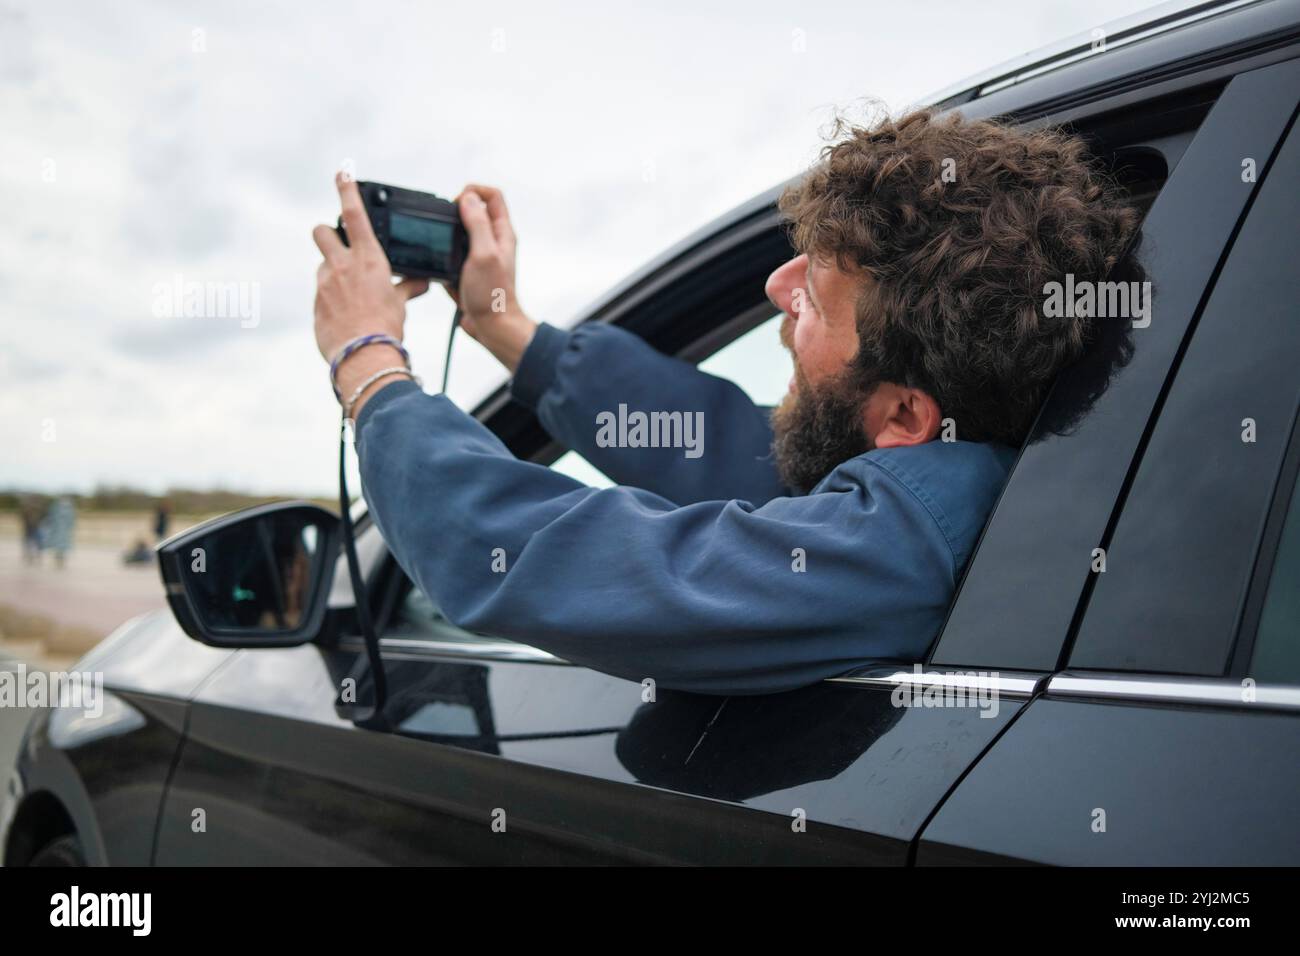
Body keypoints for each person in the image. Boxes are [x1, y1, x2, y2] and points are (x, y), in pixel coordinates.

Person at [310, 108, 1138, 695]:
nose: (776, 286)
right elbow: (736, 450)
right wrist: (508, 326)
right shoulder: (959, 470)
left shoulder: (905, 544)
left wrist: (370, 368)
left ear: (904, 419)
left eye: (813, 291)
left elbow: (568, 562)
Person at [42, 496, 76, 570]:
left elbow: (71, 520)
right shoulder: (56, 508)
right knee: (58, 545)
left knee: (62, 546)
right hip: (58, 530)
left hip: (63, 531)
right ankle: (58, 558)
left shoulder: (68, 509)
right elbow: (51, 517)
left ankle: (61, 558)